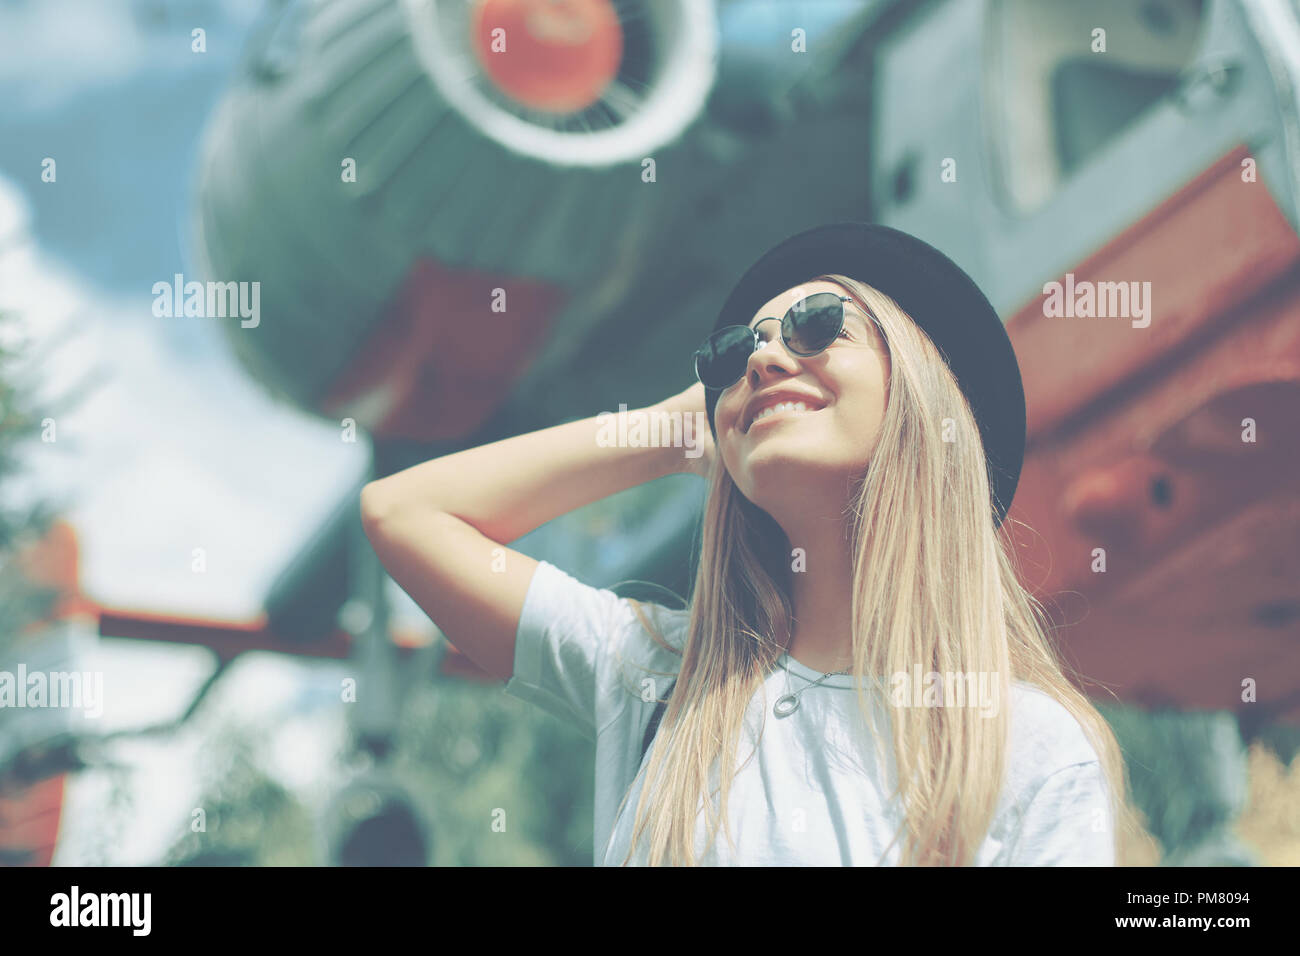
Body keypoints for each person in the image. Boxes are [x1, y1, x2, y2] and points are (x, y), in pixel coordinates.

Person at [361, 222, 1137, 866]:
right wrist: (669, 428)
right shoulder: (656, 679)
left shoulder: (1027, 745)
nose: (762, 359)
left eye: (818, 325)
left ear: (918, 390)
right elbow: (403, 513)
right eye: (734, 356)